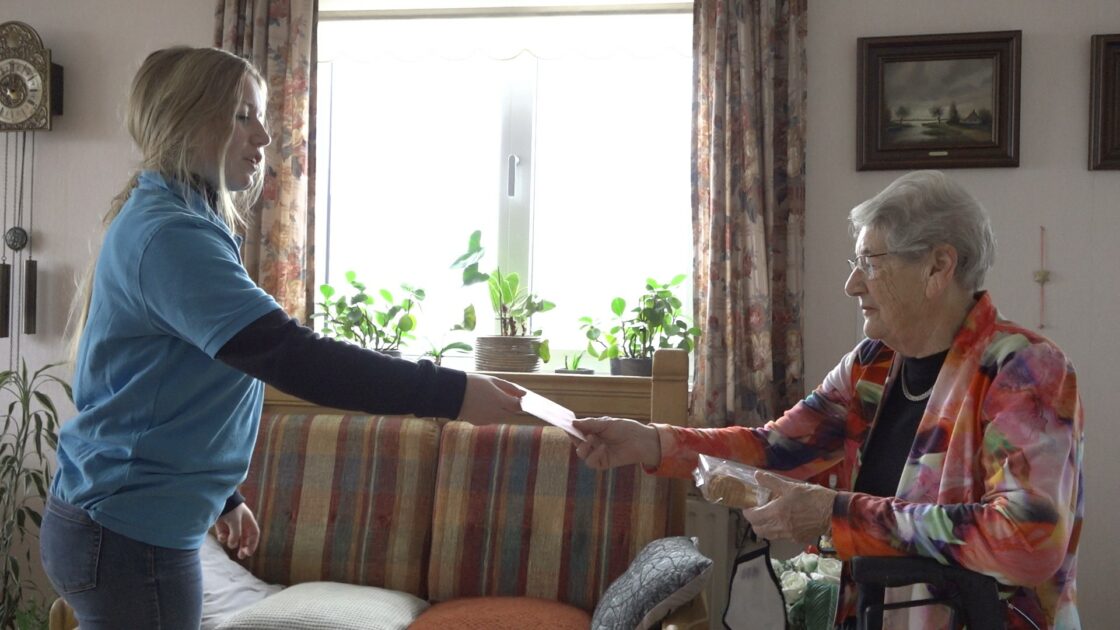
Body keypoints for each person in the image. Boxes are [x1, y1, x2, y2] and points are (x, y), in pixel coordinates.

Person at [39, 46, 525, 630]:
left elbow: (165, 391)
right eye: (243, 115)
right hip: (124, 534)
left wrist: (224, 497)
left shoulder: (181, 219)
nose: (264, 136)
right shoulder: (171, 236)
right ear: (185, 120)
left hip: (119, 523)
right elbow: (290, 355)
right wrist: (451, 392)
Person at [574, 170, 1083, 630]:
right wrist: (652, 443)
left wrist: (838, 514)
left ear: (938, 266)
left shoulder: (1023, 370)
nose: (851, 283)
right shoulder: (873, 365)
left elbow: (1025, 540)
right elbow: (776, 448)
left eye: (869, 262)